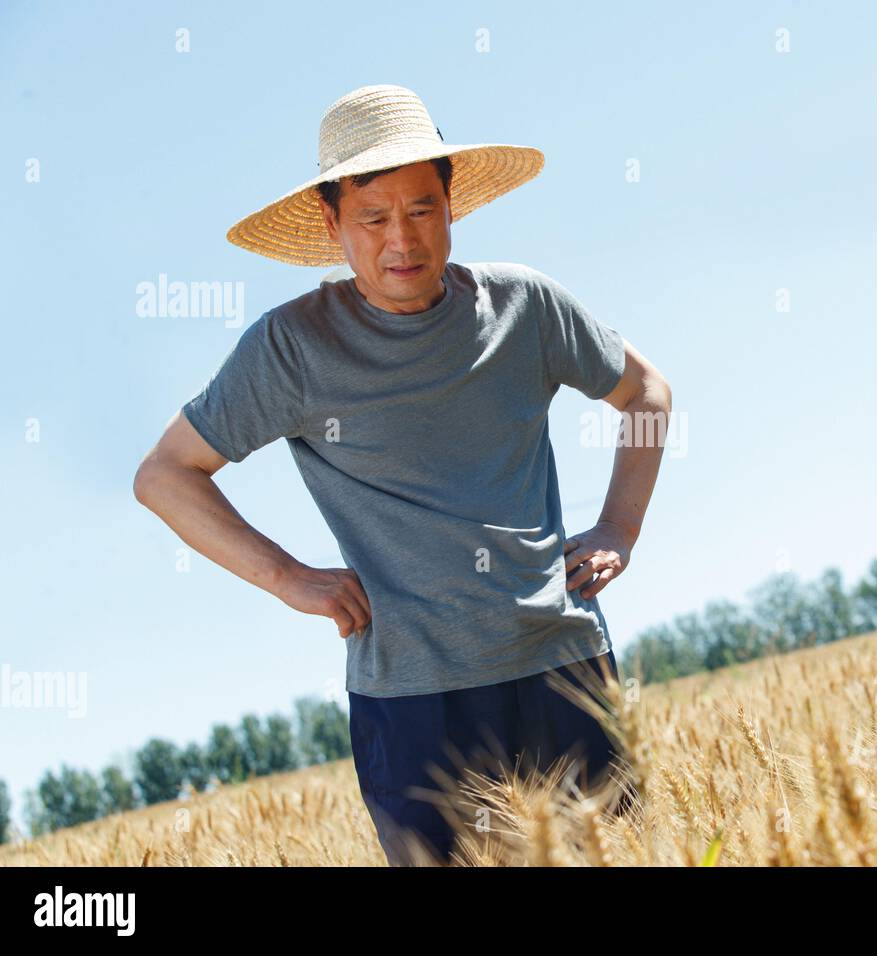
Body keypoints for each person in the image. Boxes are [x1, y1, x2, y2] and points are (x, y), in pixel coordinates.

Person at [132, 84, 671, 865]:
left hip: (563, 663)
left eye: (421, 209)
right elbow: (166, 475)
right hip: (414, 700)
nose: (402, 241)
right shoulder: (289, 349)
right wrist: (287, 578)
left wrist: (620, 526)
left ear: (452, 203)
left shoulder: (527, 305)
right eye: (374, 218)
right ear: (332, 224)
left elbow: (646, 392)